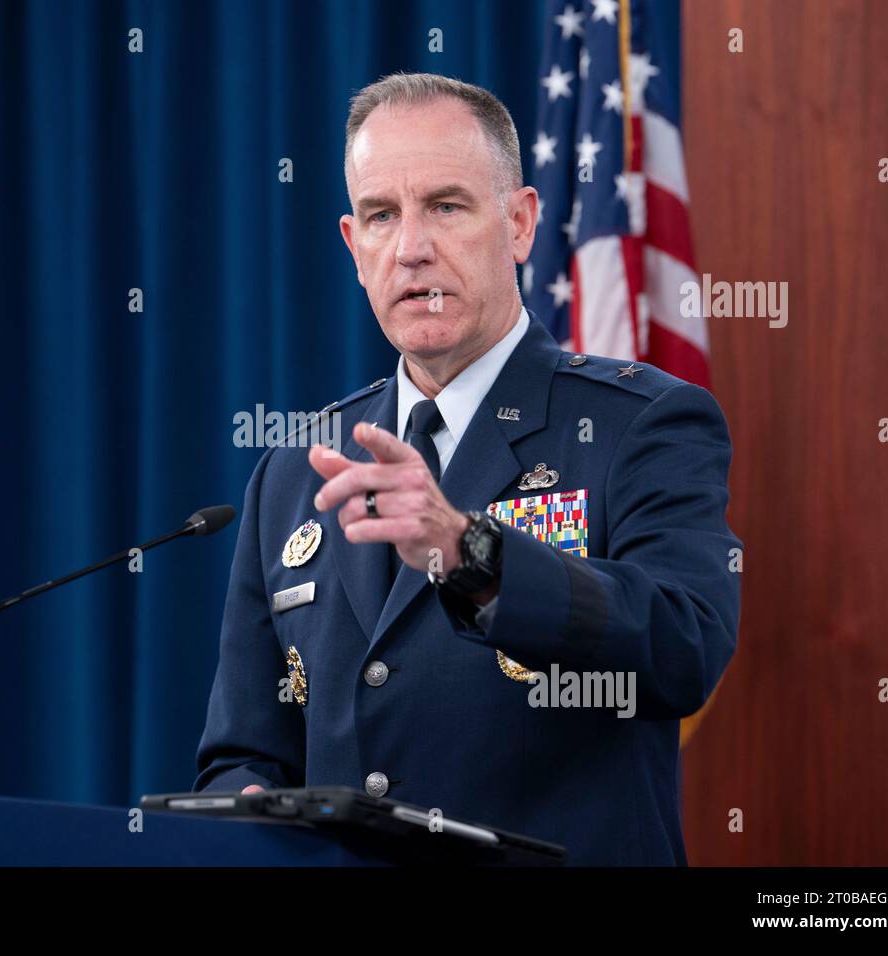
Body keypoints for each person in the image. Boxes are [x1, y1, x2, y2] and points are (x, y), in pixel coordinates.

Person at [194, 73, 740, 865]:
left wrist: (467, 555)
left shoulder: (641, 424)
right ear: (354, 247)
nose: (412, 245)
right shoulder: (295, 471)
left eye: (446, 206)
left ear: (519, 224)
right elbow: (242, 751)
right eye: (382, 215)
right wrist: (243, 805)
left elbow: (684, 648)